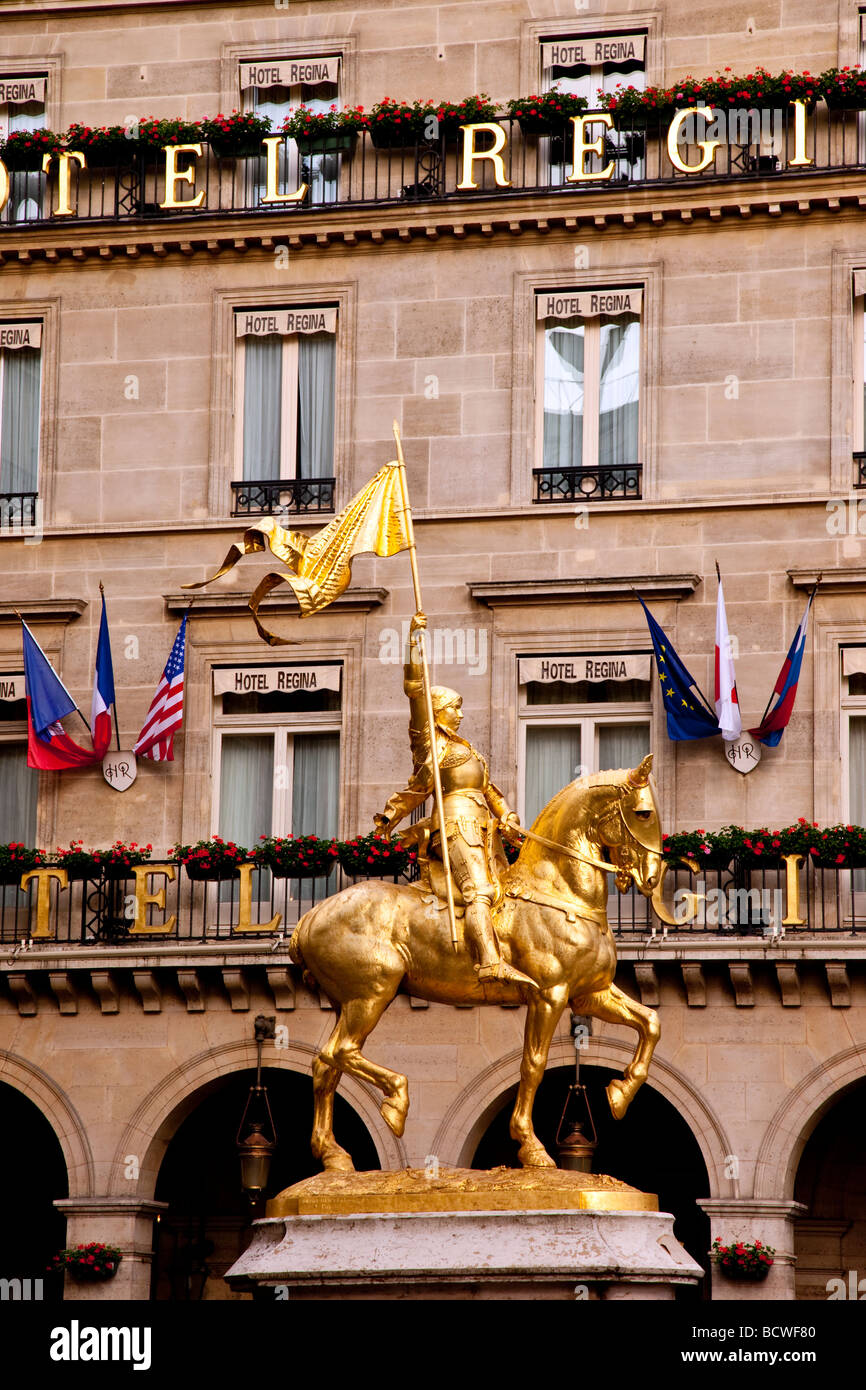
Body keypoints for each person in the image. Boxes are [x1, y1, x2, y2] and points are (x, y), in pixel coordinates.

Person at [375, 613, 536, 988]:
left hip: (485, 831)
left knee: (504, 894)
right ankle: (488, 962)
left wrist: (508, 815)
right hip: (454, 828)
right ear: (438, 712)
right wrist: (415, 642)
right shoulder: (429, 741)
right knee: (478, 891)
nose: (461, 713)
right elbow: (415, 689)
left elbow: (490, 790)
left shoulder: (469, 750)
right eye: (454, 707)